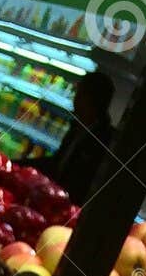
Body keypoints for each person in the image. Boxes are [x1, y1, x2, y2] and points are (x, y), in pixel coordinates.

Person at [47, 69, 115, 200]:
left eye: (79, 93)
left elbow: (83, 183)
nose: (75, 98)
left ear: (90, 99)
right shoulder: (77, 127)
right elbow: (57, 163)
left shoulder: (103, 141)